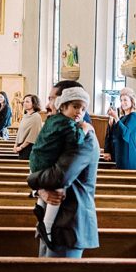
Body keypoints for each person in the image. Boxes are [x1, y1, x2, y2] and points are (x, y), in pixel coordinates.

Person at [27, 88, 100, 259]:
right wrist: (39, 191)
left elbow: (59, 177)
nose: (47, 105)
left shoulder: (84, 136)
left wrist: (31, 180)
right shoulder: (60, 128)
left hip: (70, 224)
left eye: (52, 99)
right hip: (55, 223)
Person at [103, 87, 136, 170]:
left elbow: (125, 134)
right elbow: (115, 136)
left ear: (132, 101)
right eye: (121, 100)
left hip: (128, 154)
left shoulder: (134, 116)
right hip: (120, 154)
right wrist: (111, 124)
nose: (122, 103)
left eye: (125, 100)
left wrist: (116, 117)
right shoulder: (123, 117)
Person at [12, 94, 44, 160]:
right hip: (21, 147)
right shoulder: (25, 116)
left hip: (29, 147)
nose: (24, 103)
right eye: (24, 102)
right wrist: (15, 145)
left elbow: (32, 135)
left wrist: (21, 147)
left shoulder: (36, 116)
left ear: (34, 103)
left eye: (27, 102)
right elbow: (19, 132)